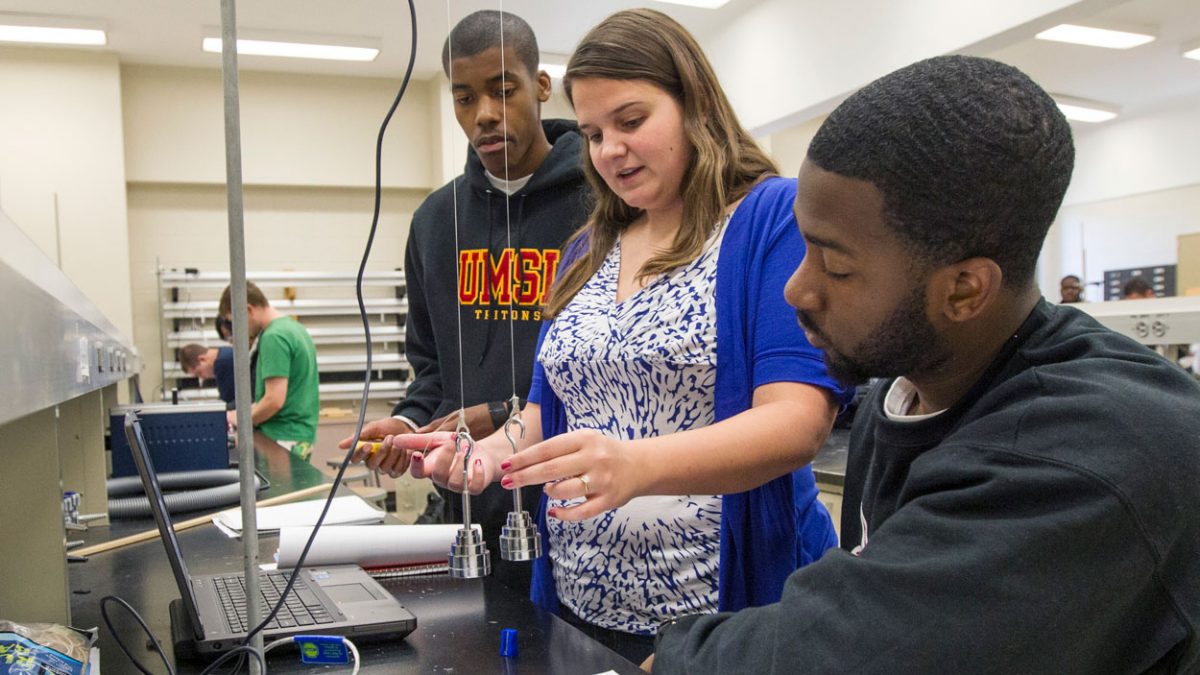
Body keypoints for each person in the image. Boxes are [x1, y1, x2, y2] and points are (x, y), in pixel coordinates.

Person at [645, 55, 1200, 674]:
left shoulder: (1082, 455)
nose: (796, 290)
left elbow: (850, 652)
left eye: (837, 266)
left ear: (964, 290)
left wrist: (673, 655)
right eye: (804, 248)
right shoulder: (912, 386)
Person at [361, 9, 852, 664]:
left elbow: (796, 425)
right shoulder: (588, 247)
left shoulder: (769, 219)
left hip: (719, 618)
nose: (607, 150)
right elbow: (541, 417)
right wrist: (480, 459)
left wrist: (637, 464)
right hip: (580, 605)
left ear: (692, 103)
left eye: (631, 121)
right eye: (592, 132)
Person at [339, 10, 590, 591]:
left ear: (542, 87)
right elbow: (432, 369)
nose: (484, 114)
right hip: (471, 513)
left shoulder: (598, 206)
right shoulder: (435, 223)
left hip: (576, 500)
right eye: (464, 98)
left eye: (505, 90)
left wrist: (502, 413)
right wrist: (407, 424)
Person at [219, 281, 319, 459]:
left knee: (282, 488)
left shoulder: (274, 337)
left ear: (248, 310)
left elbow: (274, 400)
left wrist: (240, 419)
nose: (239, 330)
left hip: (282, 437)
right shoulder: (293, 328)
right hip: (297, 435)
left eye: (235, 321)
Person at [178, 343, 236, 409]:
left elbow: (226, 405)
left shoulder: (222, 364)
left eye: (199, 373)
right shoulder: (226, 352)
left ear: (202, 359)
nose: (203, 377)